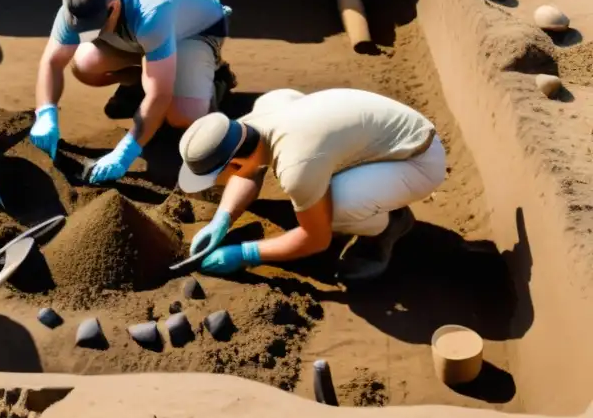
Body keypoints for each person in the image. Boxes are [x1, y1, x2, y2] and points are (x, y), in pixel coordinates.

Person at [176, 88, 447, 281]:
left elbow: (316, 239)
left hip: (419, 159)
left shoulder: (297, 166)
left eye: (214, 178)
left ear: (233, 164)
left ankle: (387, 229)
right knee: (281, 103)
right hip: (381, 142)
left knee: (334, 211)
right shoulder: (251, 124)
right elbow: (248, 171)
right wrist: (222, 219)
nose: (215, 184)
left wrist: (244, 253)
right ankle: (373, 197)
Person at [29, 0, 236, 184]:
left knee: (182, 115)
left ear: (114, 7)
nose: (88, 32)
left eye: (95, 26)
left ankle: (216, 80)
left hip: (193, 31)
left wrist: (125, 153)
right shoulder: (78, 6)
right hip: (142, 37)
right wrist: (45, 113)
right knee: (85, 64)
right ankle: (146, 82)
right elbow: (52, 61)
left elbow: (160, 94)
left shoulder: (152, 13)